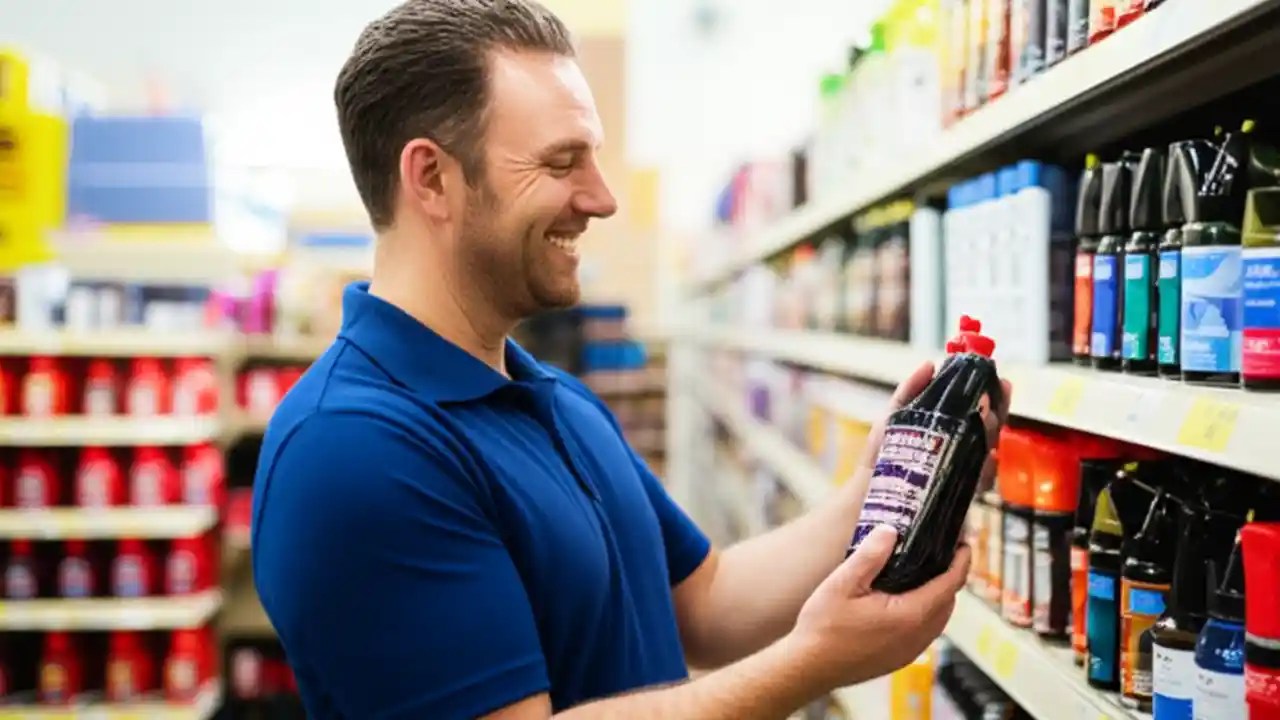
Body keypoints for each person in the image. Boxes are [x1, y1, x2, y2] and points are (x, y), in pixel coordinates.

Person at [250, 1, 1012, 718]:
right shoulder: (352, 448)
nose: (603, 197)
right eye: (561, 163)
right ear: (432, 178)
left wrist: (886, 482)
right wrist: (813, 663)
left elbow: (706, 605)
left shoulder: (555, 400)